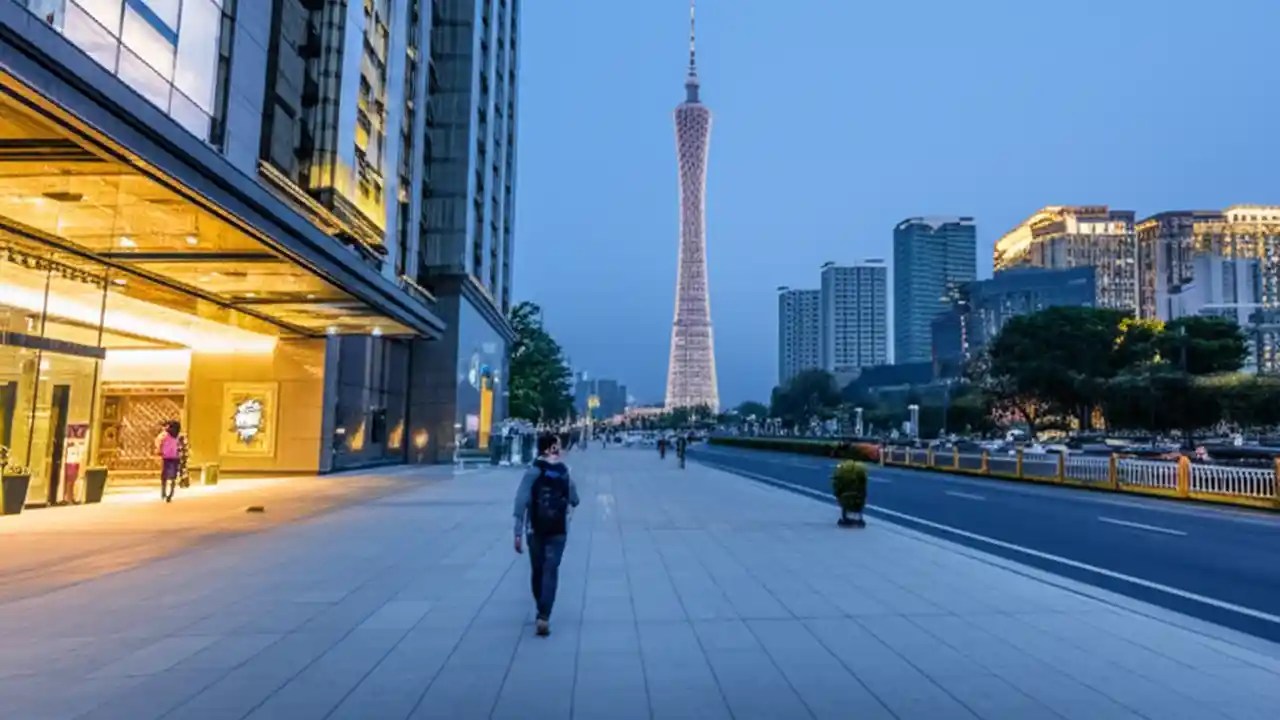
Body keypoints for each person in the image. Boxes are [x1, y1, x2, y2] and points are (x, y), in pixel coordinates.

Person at [513, 433, 579, 636]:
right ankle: (544, 615)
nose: (560, 449)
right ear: (551, 448)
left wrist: (517, 532)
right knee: (551, 569)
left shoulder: (533, 470)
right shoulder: (563, 471)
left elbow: (520, 500)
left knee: (538, 570)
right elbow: (575, 498)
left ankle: (541, 608)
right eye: (557, 446)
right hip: (558, 528)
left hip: (535, 529)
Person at [154, 420, 182, 502]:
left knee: (164, 476)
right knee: (173, 477)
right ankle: (171, 493)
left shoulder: (164, 434)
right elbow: (180, 446)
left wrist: (159, 450)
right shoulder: (178, 435)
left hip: (166, 457)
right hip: (175, 457)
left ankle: (163, 492)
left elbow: (158, 441)